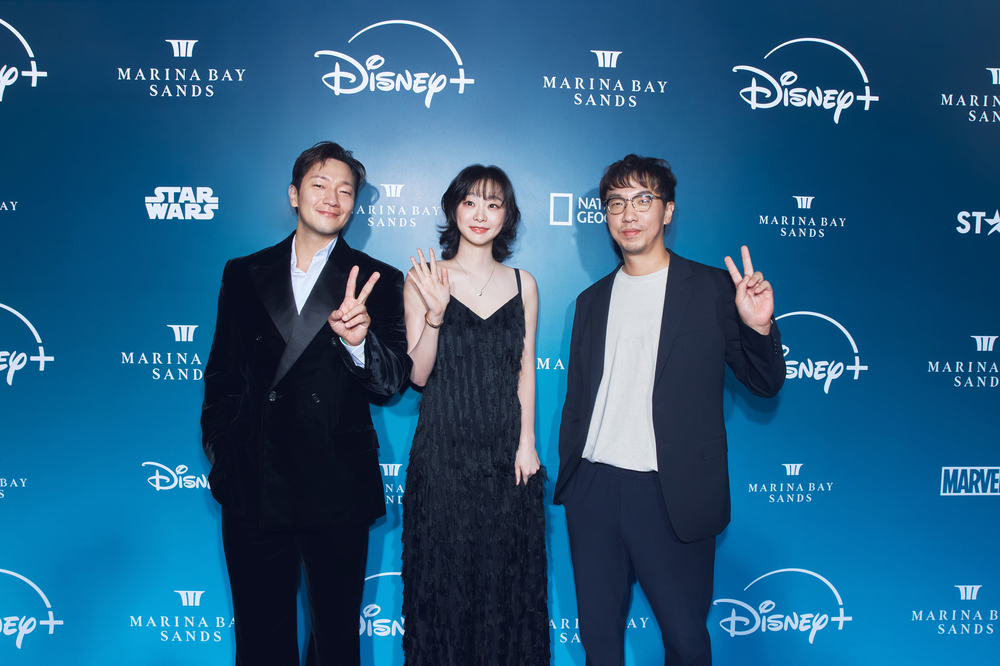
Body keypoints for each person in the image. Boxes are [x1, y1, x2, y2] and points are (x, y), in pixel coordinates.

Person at [553, 154, 786, 665]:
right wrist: (574, 482)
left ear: (668, 210)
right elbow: (580, 398)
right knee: (598, 644)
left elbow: (764, 384)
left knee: (685, 641)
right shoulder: (591, 300)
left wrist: (759, 327)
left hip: (670, 490)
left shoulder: (714, 290)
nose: (629, 213)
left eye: (643, 199)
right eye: (616, 202)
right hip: (593, 489)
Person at [201, 141, 411, 666]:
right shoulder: (243, 272)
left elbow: (390, 384)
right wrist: (225, 455)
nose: (332, 198)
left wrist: (359, 343)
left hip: (336, 485)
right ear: (295, 194)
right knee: (260, 640)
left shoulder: (377, 279)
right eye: (320, 185)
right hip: (254, 482)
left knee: (335, 642)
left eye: (345, 190)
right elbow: (223, 376)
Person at [400, 165, 550, 665]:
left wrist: (527, 443)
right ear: (453, 209)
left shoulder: (524, 283)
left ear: (507, 216)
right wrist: (435, 315)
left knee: (506, 588)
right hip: (442, 456)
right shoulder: (424, 278)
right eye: (470, 202)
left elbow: (526, 369)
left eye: (493, 203)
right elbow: (418, 375)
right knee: (443, 589)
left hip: (507, 459)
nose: (480, 214)